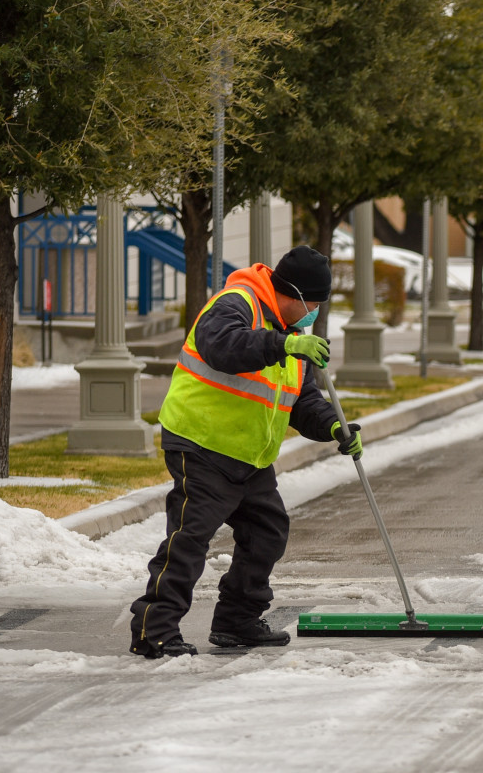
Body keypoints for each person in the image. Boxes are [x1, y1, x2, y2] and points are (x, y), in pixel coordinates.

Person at [128, 247, 363, 658]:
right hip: (202, 442)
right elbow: (222, 346)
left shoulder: (291, 339)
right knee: (190, 537)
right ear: (294, 293)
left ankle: (236, 620)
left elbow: (301, 398)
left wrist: (333, 427)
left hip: (249, 455)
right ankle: (154, 630)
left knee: (267, 532)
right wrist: (285, 344)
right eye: (313, 304)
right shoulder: (237, 303)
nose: (314, 314)